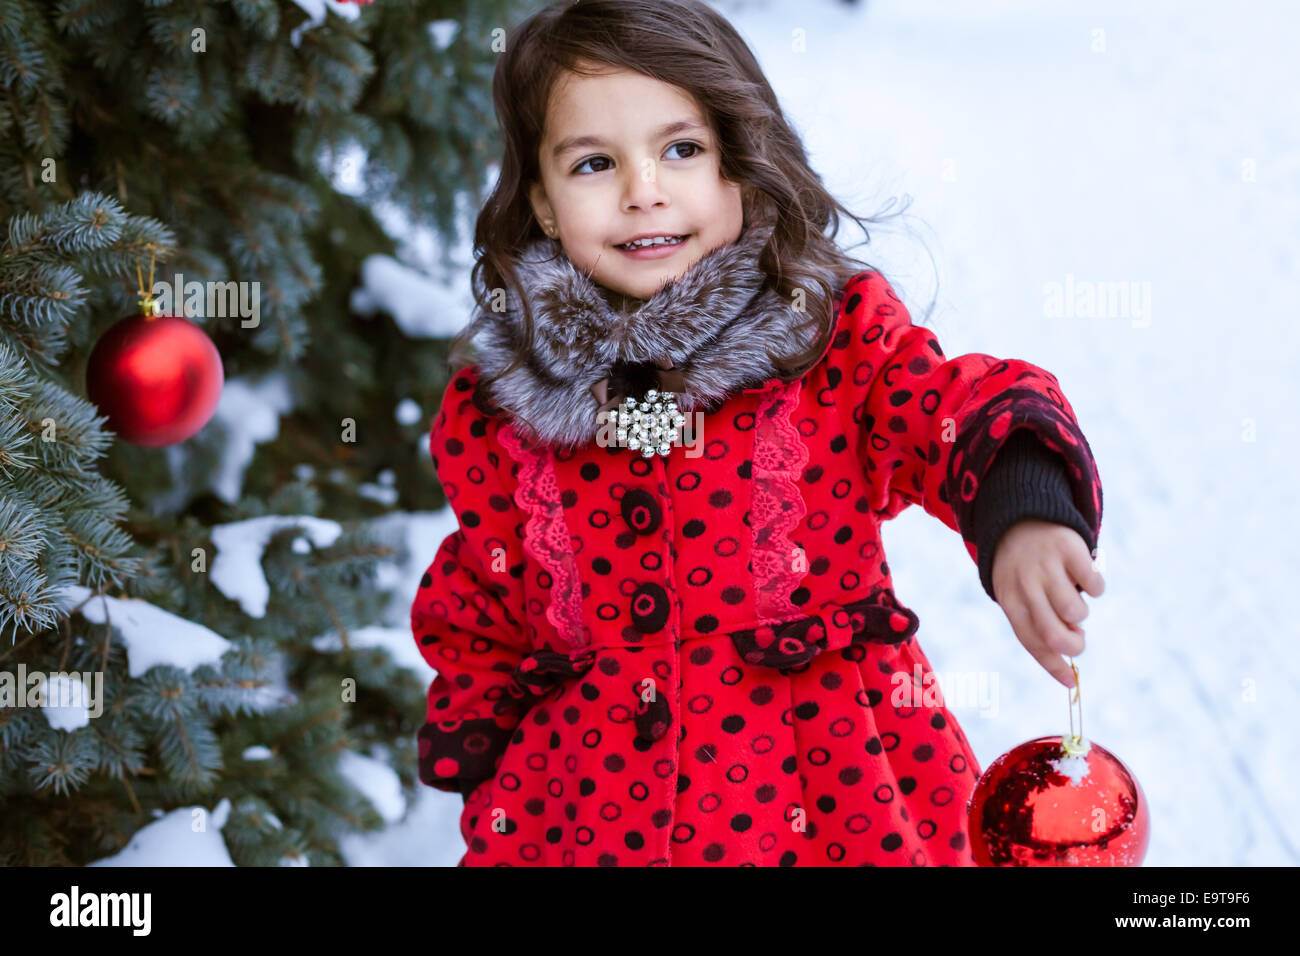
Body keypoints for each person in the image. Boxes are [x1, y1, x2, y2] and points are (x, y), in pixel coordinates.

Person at [412, 0, 1105, 866]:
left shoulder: (829, 339)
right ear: (545, 205)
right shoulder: (500, 413)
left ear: (738, 166)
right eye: (593, 163)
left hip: (834, 792)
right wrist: (486, 756)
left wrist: (1022, 507)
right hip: (586, 811)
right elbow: (482, 593)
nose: (643, 189)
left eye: (682, 149)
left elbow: (941, 406)